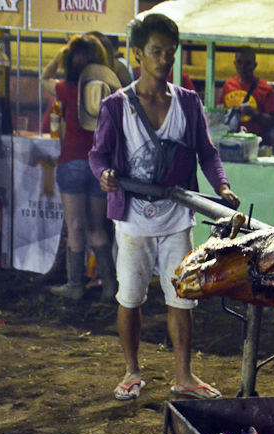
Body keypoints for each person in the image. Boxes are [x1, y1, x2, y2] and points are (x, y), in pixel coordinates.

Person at [89, 13, 240, 401]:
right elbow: (98, 155)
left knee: (181, 298)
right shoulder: (116, 106)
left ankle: (184, 375)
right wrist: (105, 174)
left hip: (176, 218)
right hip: (133, 220)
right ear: (138, 53)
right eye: (156, 52)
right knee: (130, 296)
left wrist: (221, 186)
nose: (164, 59)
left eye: (170, 52)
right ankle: (131, 371)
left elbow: (207, 153)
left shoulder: (187, 104)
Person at [40, 34, 119, 301]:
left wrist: (61, 53)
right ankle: (110, 285)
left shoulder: (66, 89)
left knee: (75, 226)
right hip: (100, 166)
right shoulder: (109, 93)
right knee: (98, 227)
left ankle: (75, 285)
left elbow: (43, 78)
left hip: (71, 162)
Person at [217, 46, 274, 139]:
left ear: (254, 65)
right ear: (235, 64)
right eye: (239, 62)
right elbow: (221, 111)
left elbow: (272, 121)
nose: (243, 67)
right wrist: (220, 110)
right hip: (230, 139)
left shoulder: (266, 89)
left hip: (254, 141)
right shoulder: (228, 85)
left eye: (248, 63)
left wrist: (255, 114)